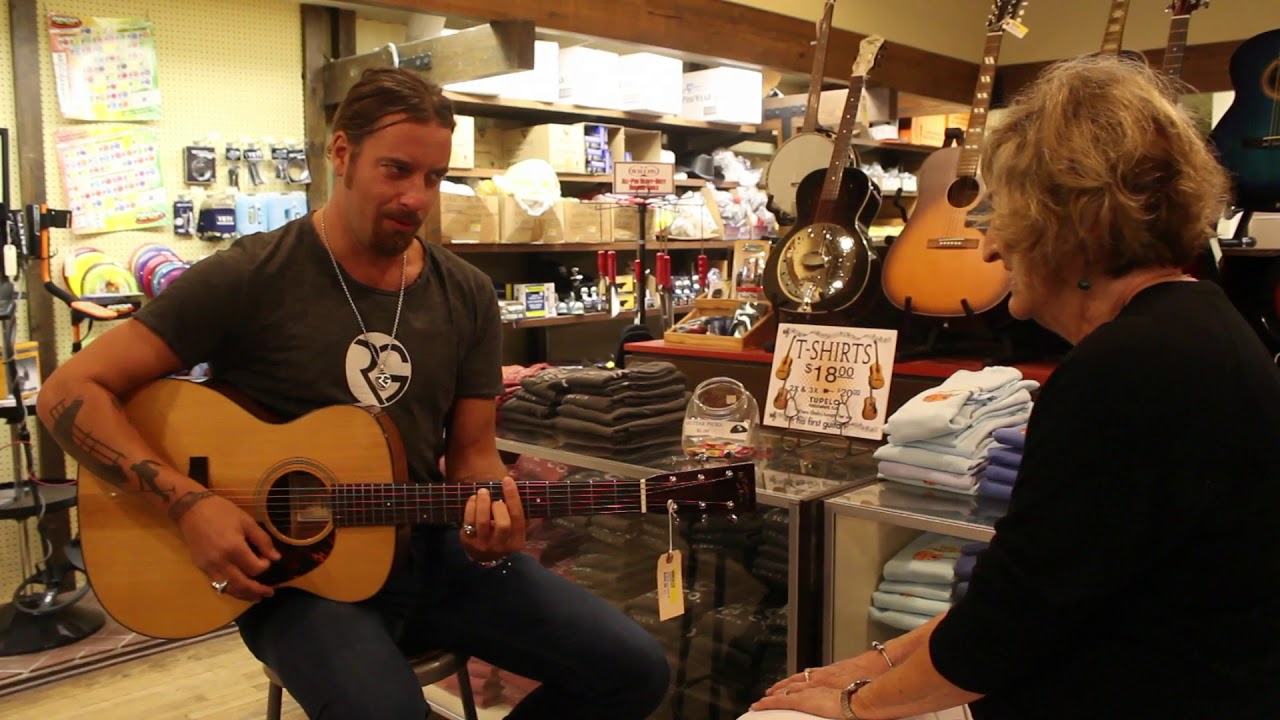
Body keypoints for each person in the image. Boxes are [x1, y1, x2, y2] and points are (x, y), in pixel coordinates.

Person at [36, 67, 669, 720]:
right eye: (395, 170)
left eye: (433, 177)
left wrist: (492, 518)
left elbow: (473, 456)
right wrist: (188, 505)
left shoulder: (468, 294)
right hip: (292, 577)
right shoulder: (251, 275)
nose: (417, 198)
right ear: (341, 153)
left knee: (633, 671)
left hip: (432, 553)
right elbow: (67, 391)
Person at [744, 55, 1280, 719]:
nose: (991, 245)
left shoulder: (1129, 370)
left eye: (1004, 211)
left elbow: (1015, 622)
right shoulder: (1189, 327)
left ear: (1075, 223)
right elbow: (1028, 587)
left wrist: (853, 705)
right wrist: (868, 664)